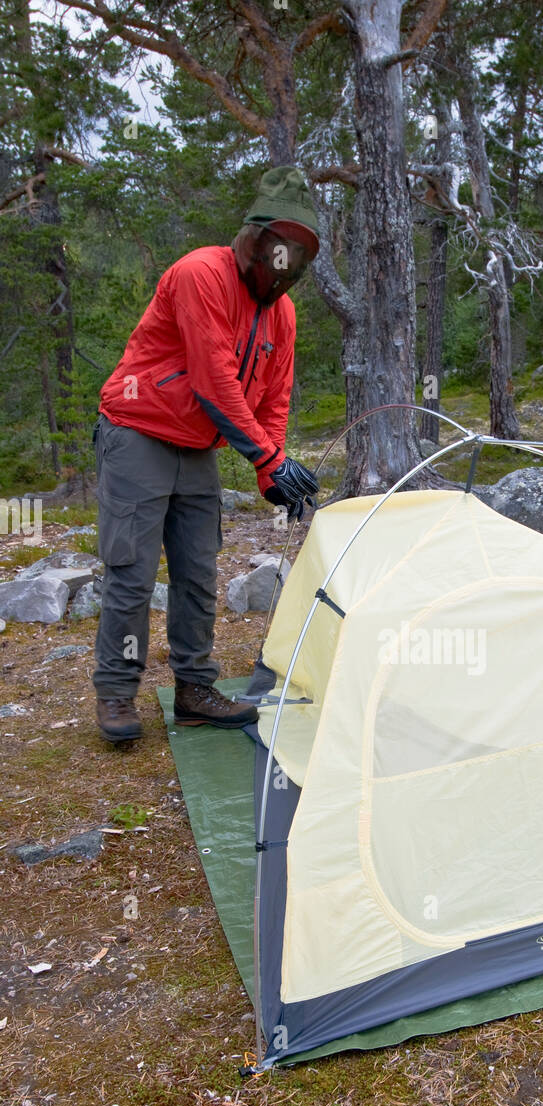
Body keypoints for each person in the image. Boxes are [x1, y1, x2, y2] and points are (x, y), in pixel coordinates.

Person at [92, 166, 320, 744]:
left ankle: (194, 690)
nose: (279, 261)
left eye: (293, 252)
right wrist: (267, 460)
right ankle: (118, 692)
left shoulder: (283, 315)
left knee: (197, 573)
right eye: (274, 244)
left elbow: (275, 397)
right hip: (138, 431)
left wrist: (275, 466)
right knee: (133, 574)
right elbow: (214, 381)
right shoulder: (202, 274)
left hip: (199, 448)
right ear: (252, 238)